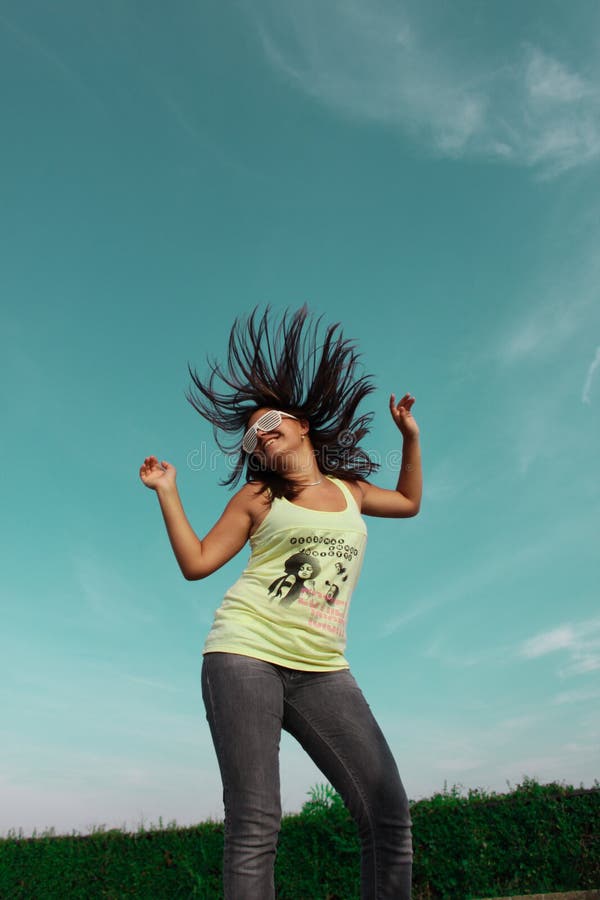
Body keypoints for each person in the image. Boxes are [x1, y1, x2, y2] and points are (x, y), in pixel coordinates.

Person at [139, 307, 422, 899]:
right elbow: (196, 564)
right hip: (244, 652)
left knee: (388, 814)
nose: (259, 433)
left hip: (323, 665)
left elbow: (410, 502)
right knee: (256, 823)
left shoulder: (351, 492)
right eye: (251, 435)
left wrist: (410, 438)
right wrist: (168, 491)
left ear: (300, 427)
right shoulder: (257, 495)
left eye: (268, 421)